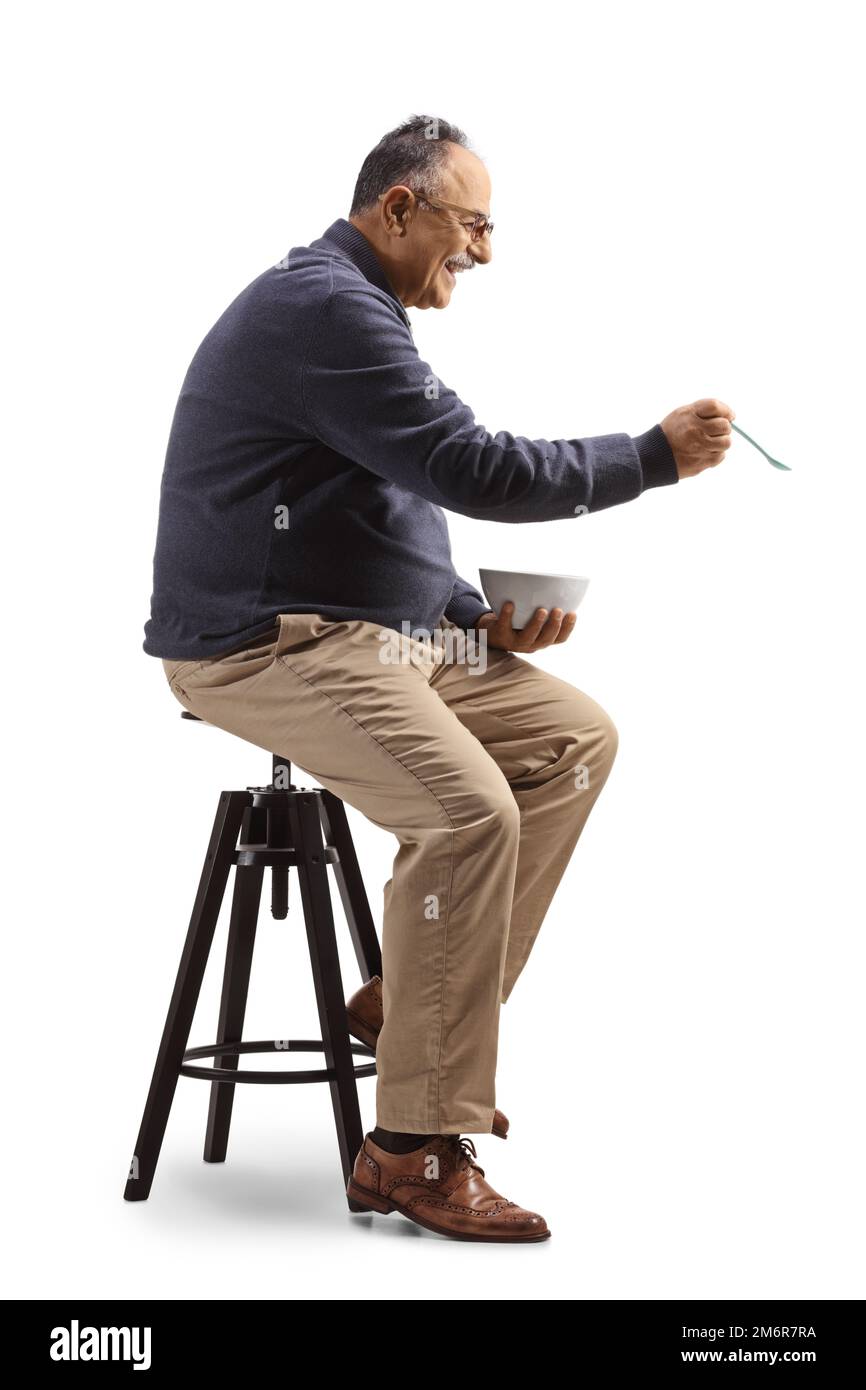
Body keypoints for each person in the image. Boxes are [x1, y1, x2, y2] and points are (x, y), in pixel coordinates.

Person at [143, 114, 735, 1243]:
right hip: (262, 640)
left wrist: (473, 617)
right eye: (474, 225)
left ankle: (410, 1006)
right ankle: (408, 1150)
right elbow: (466, 467)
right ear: (397, 209)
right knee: (467, 816)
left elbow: (388, 505)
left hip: (377, 634)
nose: (486, 253)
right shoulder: (324, 307)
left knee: (572, 738)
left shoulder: (355, 316)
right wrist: (649, 457)